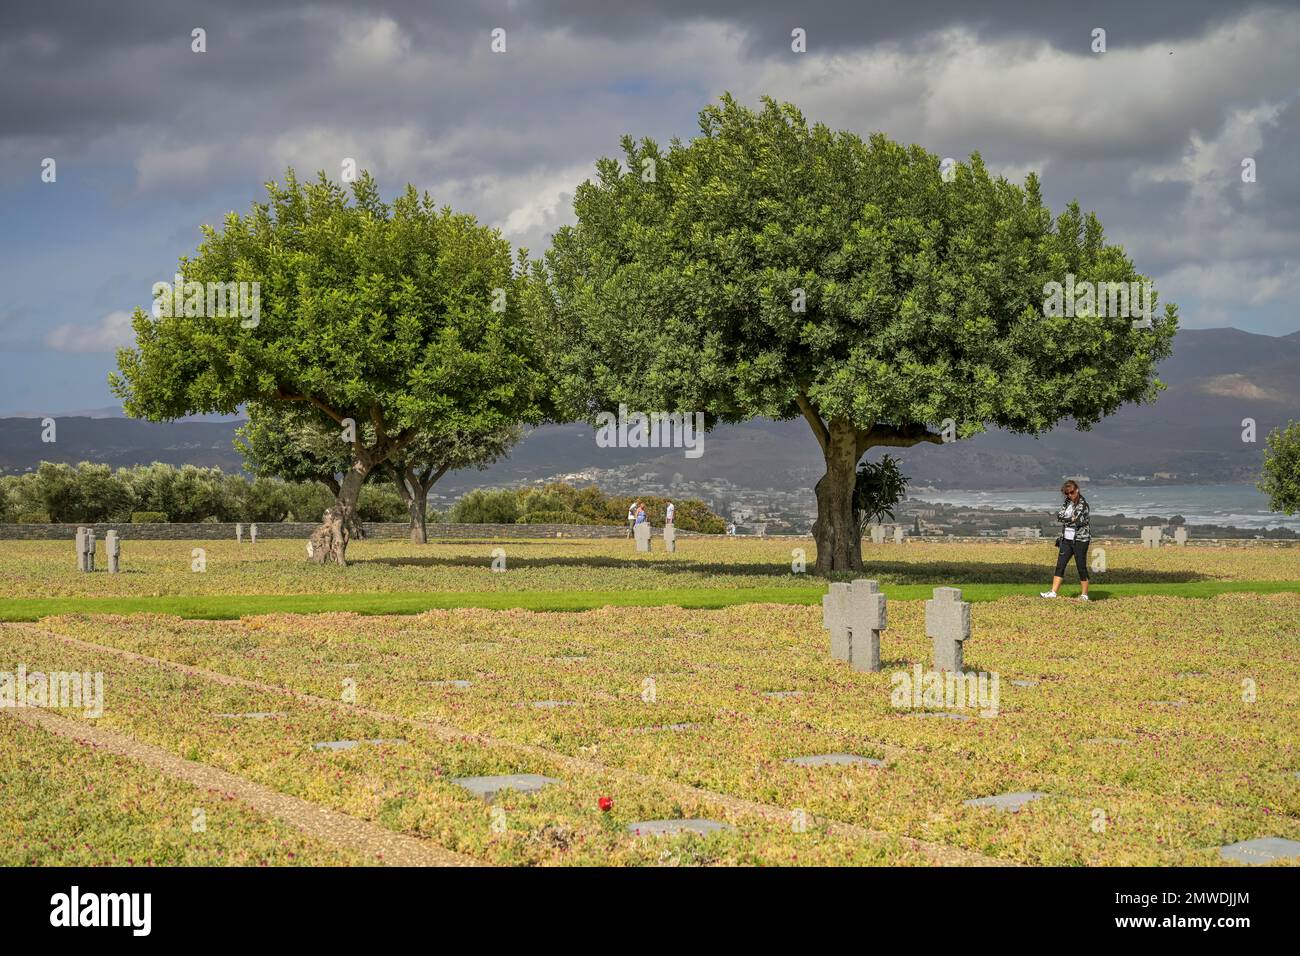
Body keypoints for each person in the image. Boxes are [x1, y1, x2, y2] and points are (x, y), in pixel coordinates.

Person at [1042, 479, 1091, 601]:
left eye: (1071, 492)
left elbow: (1077, 520)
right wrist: (1070, 518)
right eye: (1067, 493)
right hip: (1066, 540)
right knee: (1060, 566)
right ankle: (1053, 592)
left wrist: (1068, 518)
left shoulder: (1084, 505)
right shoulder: (1067, 502)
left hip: (1080, 540)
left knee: (1081, 567)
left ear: (1077, 490)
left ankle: (1084, 594)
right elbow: (1060, 517)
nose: (1069, 495)